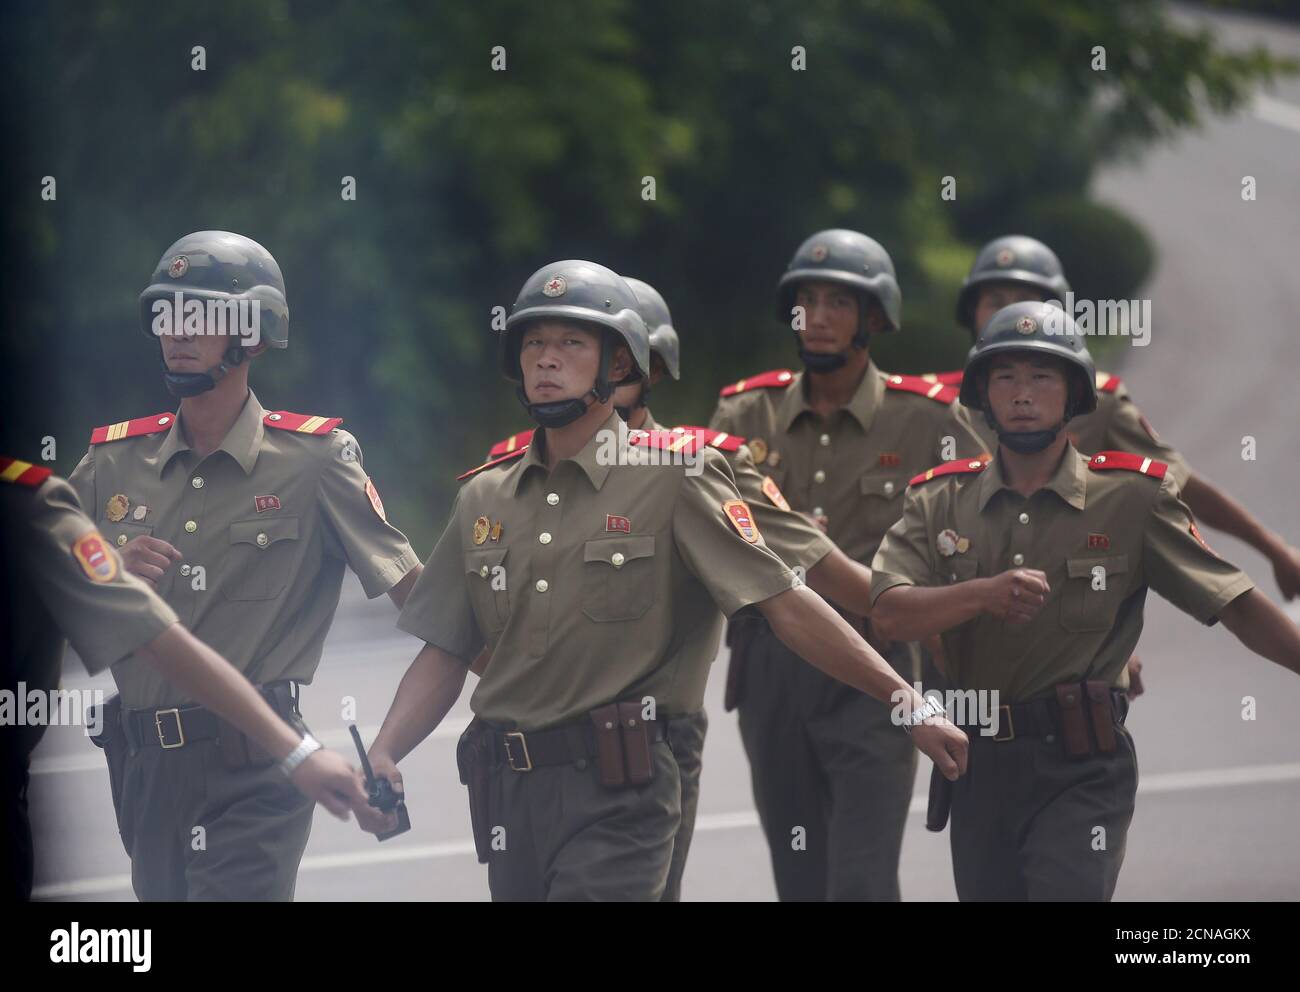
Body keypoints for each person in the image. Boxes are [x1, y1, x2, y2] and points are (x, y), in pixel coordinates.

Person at [355, 259, 967, 901]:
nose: (546, 359)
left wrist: (908, 702)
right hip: (509, 796)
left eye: (570, 342)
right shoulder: (485, 495)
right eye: (533, 341)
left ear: (619, 365)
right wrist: (386, 749)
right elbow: (446, 645)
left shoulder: (679, 476)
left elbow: (785, 602)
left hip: (621, 792)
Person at [870, 301, 1300, 900]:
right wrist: (980, 596)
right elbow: (888, 610)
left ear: (1074, 393)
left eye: (1042, 376)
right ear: (982, 395)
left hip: (1081, 765)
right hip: (978, 766)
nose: (1023, 394)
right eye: (1006, 377)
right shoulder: (938, 500)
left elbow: (1237, 604)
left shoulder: (1132, 497)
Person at [483, 275, 883, 900]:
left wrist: (906, 636)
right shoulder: (510, 471)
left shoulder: (692, 466)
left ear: (648, 368)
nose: (559, 364)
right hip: (537, 753)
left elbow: (799, 573)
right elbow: (472, 624)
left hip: (648, 732)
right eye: (543, 344)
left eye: (613, 359)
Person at [67, 231, 421, 900]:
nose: (178, 332)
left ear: (253, 336)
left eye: (199, 315)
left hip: (259, 770)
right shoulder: (112, 463)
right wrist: (106, 568)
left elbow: (425, 603)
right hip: (144, 770)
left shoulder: (315, 462)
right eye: (166, 315)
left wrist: (528, 693)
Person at [707, 229, 984, 900]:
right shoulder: (745, 411)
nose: (818, 316)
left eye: (838, 301)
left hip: (880, 665)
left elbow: (988, 531)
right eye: (806, 300)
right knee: (798, 878)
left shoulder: (928, 419)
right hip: (773, 666)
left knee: (859, 880)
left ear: (874, 318)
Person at [0, 457, 367, 902]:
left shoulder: (25, 507)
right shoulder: (42, 497)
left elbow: (149, 635)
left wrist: (293, 750)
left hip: (243, 774)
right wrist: (298, 752)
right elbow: (153, 637)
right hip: (148, 771)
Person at [935, 234, 1300, 602]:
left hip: (1066, 613)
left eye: (1026, 301)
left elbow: (1179, 483)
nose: (1010, 313)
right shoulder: (930, 406)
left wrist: (1274, 550)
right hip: (949, 614)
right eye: (994, 302)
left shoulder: (1097, 401)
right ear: (970, 313)